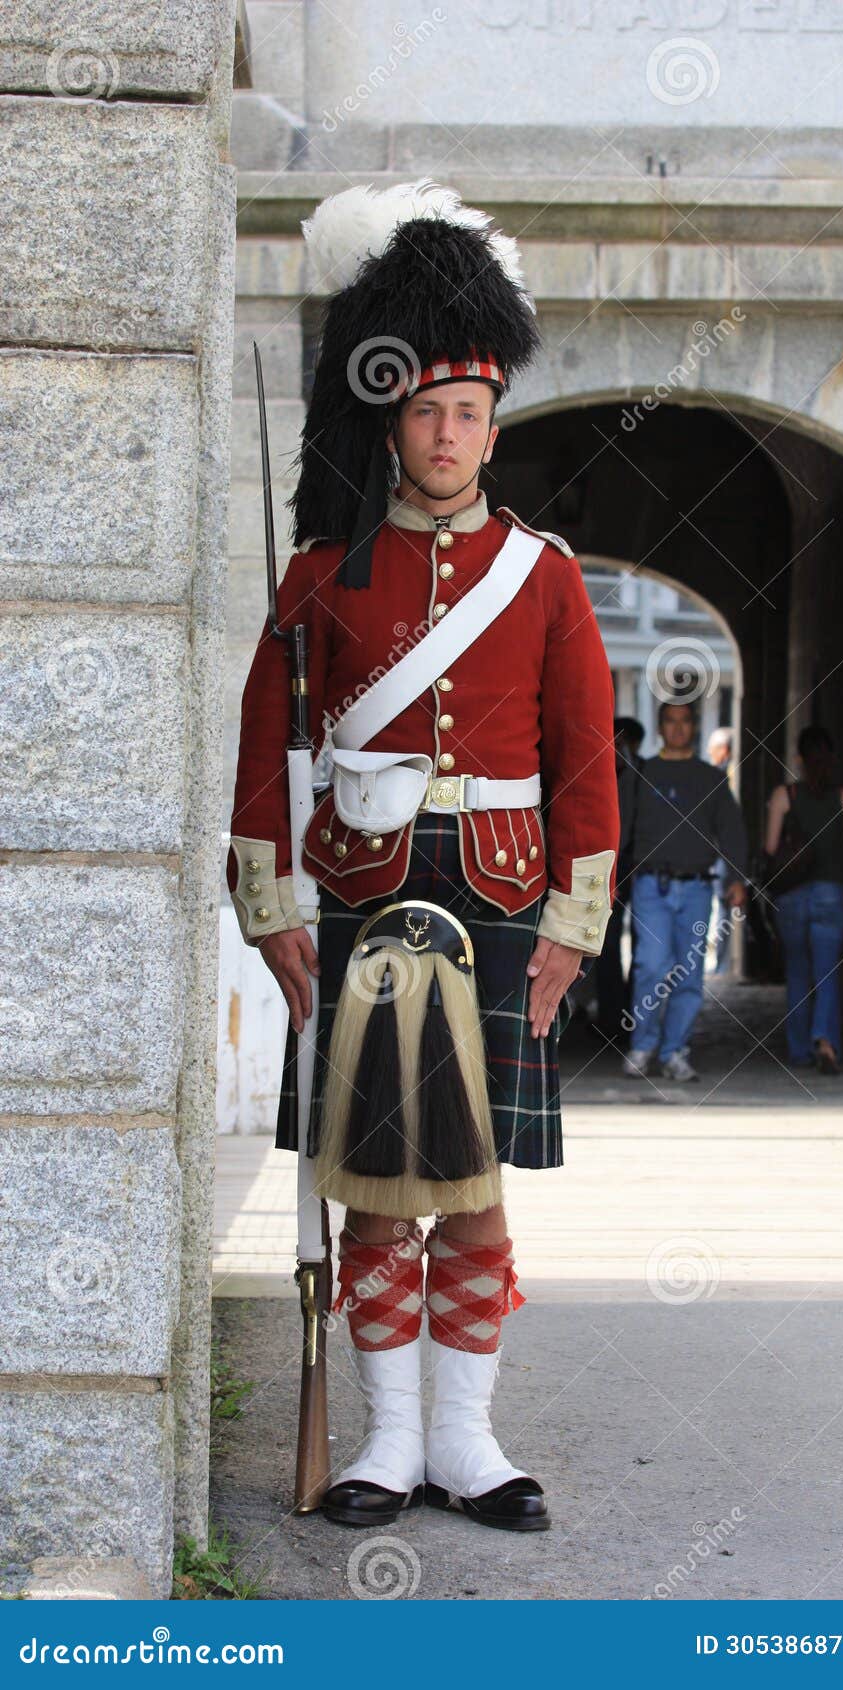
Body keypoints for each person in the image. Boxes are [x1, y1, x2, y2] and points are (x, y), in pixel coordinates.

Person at [228, 179, 619, 1532]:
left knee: (473, 1188)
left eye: (467, 413)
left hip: (503, 897)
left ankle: (467, 1437)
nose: (445, 434)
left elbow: (583, 760)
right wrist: (271, 904)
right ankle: (386, 1441)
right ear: (390, 421)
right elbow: (261, 742)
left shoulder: (545, 574)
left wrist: (572, 925)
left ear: (489, 425)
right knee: (371, 1187)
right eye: (424, 411)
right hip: (356, 892)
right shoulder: (320, 574)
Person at [622, 699, 747, 1081]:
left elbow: (731, 830)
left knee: (689, 974)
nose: (677, 728)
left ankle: (675, 1051)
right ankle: (643, 1045)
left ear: (693, 727)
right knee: (650, 966)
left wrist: (736, 880)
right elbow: (622, 828)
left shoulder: (710, 778)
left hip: (696, 889)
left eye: (684, 721)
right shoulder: (642, 774)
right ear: (660, 727)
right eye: (670, 721)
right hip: (650, 886)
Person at [763, 725, 843, 1075]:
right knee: (827, 971)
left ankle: (799, 1050)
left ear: (799, 758)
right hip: (831, 893)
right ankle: (826, 1042)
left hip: (792, 896)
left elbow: (769, 849)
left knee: (797, 971)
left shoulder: (785, 796)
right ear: (832, 758)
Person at [593, 718, 641, 1042]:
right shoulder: (596, 771)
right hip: (612, 864)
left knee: (646, 949)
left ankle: (632, 1014)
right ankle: (612, 1016)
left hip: (641, 867)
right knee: (605, 945)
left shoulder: (643, 774)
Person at [705, 726, 736, 975]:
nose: (709, 753)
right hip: (720, 855)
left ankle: (724, 964)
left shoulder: (721, 776)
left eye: (713, 749)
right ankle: (723, 962)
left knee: (724, 907)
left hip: (721, 856)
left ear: (723, 751)